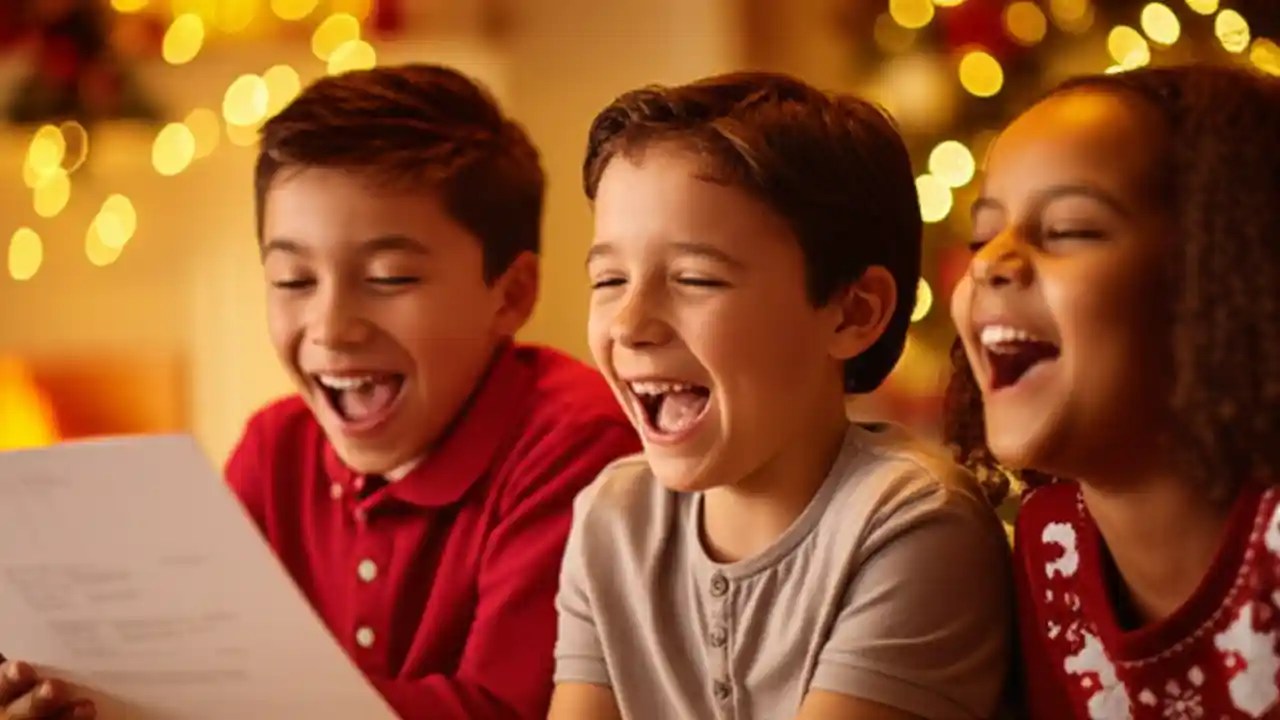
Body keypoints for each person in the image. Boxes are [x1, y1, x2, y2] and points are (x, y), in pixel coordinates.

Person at [550, 71, 1012, 720]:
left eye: (694, 279)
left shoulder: (913, 522)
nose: (628, 324)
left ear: (853, 312)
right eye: (610, 279)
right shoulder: (612, 520)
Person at [225, 64, 639, 718]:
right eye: (292, 280)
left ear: (511, 294)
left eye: (389, 279)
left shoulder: (578, 447)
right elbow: (208, 664)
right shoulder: (274, 448)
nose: (331, 329)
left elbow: (503, 711)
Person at [946, 64, 1280, 719]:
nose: (989, 261)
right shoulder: (1051, 541)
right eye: (984, 235)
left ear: (1216, 273)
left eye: (1068, 229)